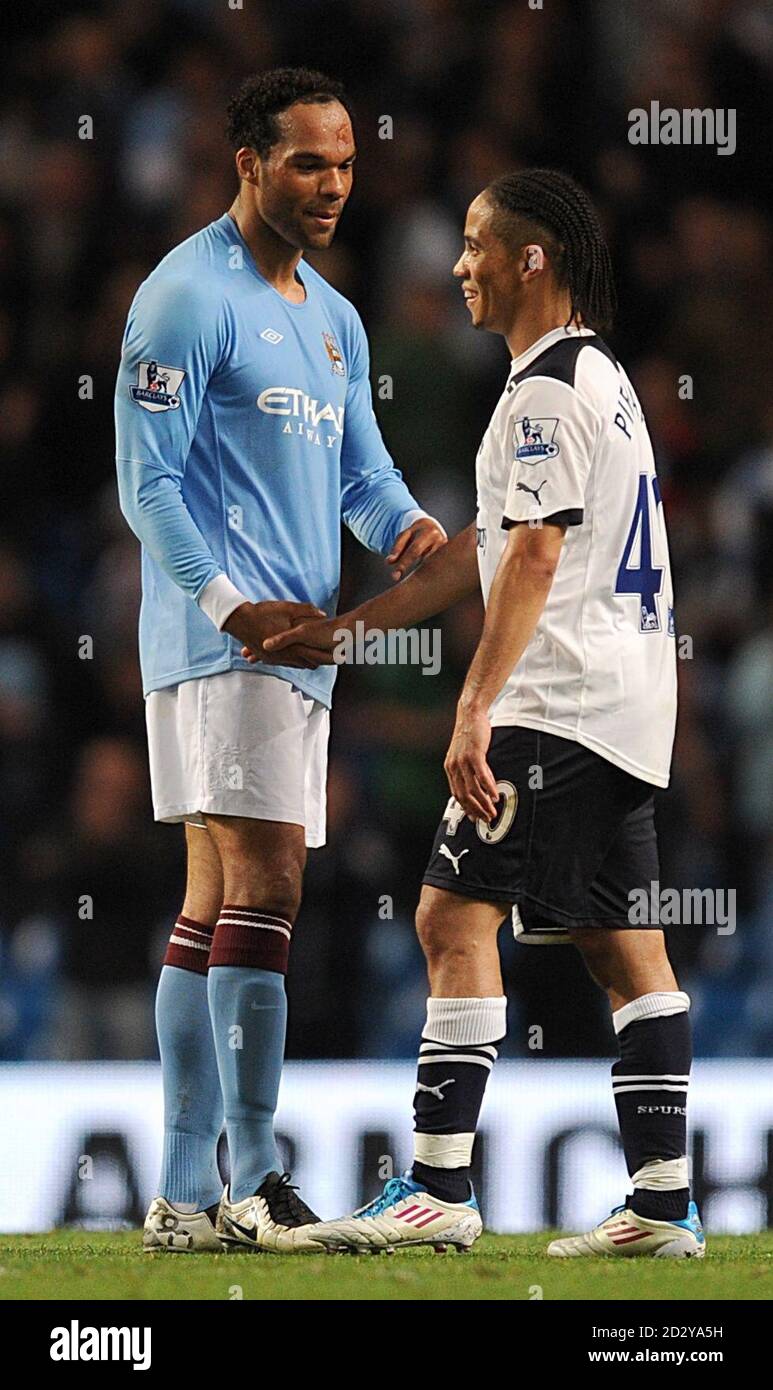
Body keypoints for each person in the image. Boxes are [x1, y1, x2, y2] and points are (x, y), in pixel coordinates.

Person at [261, 168, 705, 1259]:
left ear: (531, 259)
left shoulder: (547, 388)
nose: (456, 263)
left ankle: (437, 1186)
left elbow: (537, 555)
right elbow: (489, 544)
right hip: (621, 703)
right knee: (619, 944)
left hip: (552, 706)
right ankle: (660, 1204)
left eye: (473, 243)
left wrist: (473, 705)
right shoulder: (591, 378)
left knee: (449, 920)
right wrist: (350, 628)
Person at [114, 66, 445, 1254]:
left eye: (346, 164)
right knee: (267, 890)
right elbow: (144, 481)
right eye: (309, 162)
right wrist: (224, 603)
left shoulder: (333, 317)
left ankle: (182, 1195)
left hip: (299, 650)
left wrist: (405, 526)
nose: (332, 186)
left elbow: (361, 472)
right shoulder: (184, 297)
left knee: (212, 903)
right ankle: (254, 1179)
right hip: (226, 646)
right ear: (247, 162)